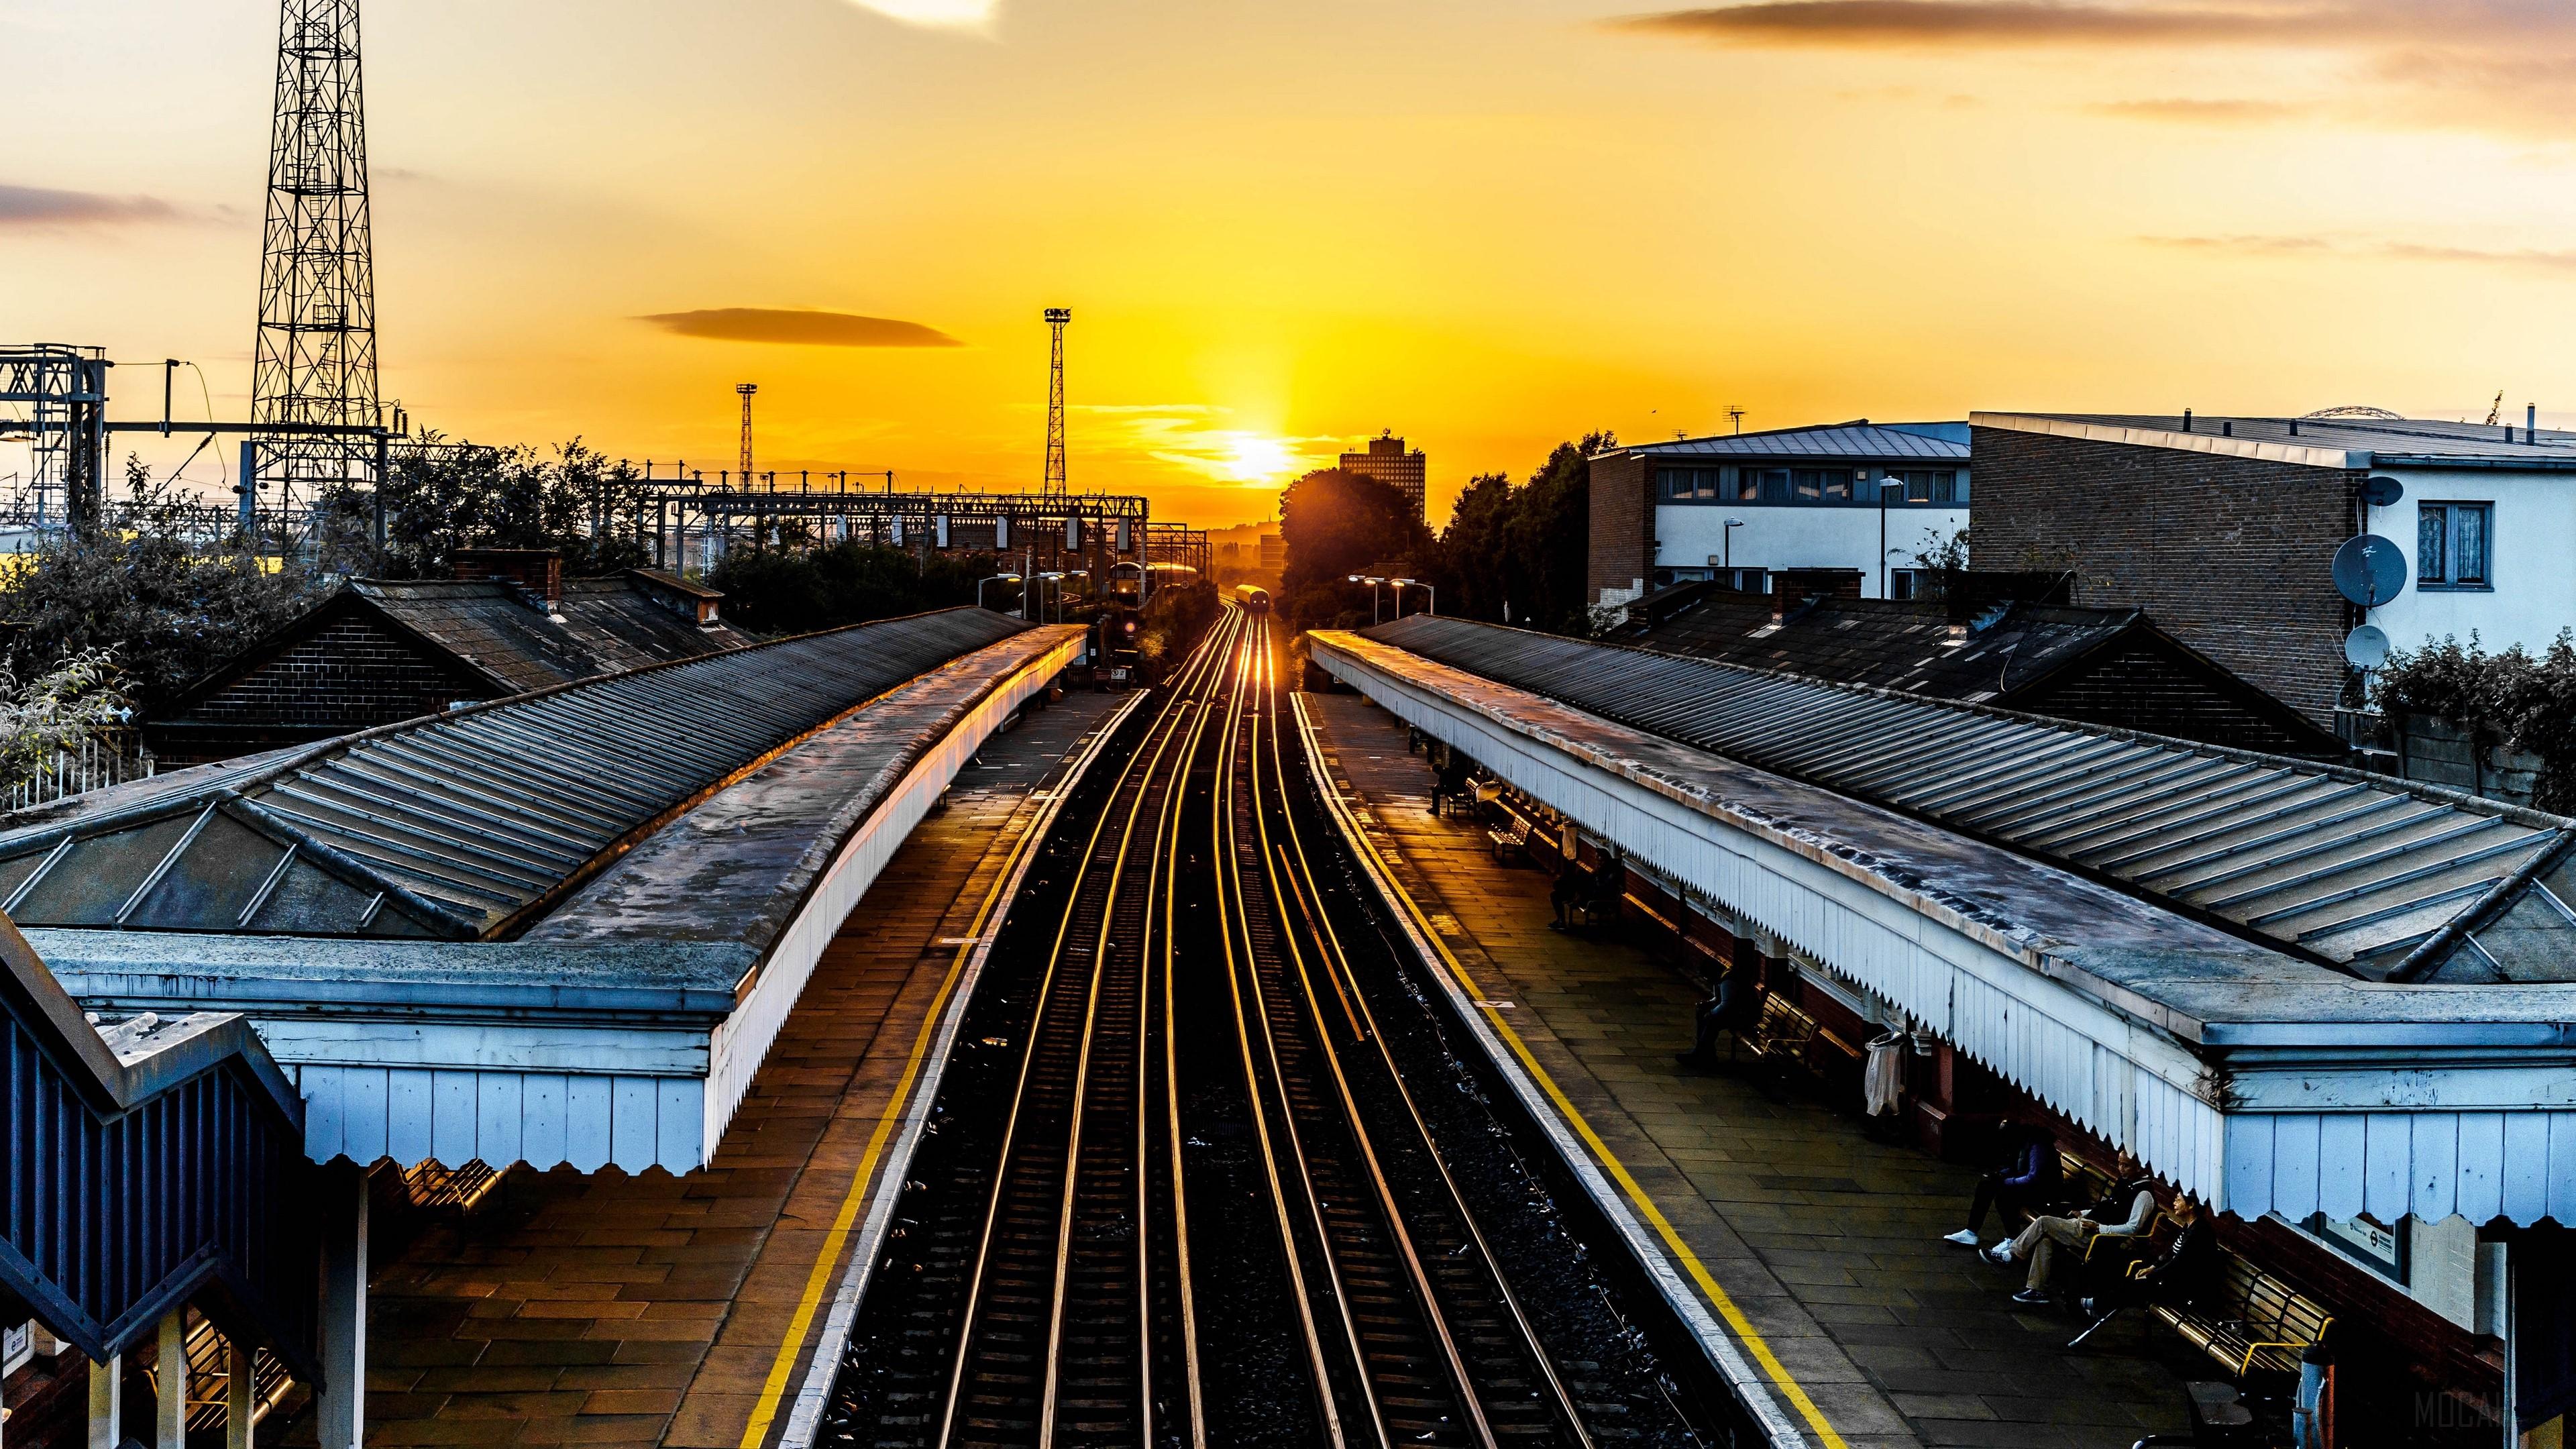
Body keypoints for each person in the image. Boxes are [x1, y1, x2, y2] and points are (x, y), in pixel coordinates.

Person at [1982, 1155, 2156, 1304]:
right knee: (2045, 1238)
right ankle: (2036, 1290)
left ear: (2138, 1167)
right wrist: (2084, 1213)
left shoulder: (2143, 1194)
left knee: (2043, 1223)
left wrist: (2099, 1227)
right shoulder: (2124, 1183)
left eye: (2125, 1165)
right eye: (2119, 1163)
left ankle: (2011, 1254)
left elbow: (2133, 1227)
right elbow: (2107, 1208)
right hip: (2087, 1224)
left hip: (2099, 1236)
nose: (2121, 1169)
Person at [1942, 1123, 2059, 1247]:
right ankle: (1971, 1232)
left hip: (2043, 1192)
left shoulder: (2038, 1146)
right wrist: (2000, 1175)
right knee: (1986, 1186)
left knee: (2004, 1198)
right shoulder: (2025, 1143)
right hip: (2029, 1186)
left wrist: (2007, 1182)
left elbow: (2034, 1177)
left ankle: (2014, 1239)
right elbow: (2017, 1167)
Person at [1675, 968, 1748, 1070]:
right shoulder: (1721, 979)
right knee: (1702, 1012)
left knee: (1712, 1021)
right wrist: (1707, 1004)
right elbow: (1718, 999)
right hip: (1736, 1012)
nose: (1706, 979)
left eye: (1706, 977)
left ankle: (1703, 1053)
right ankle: (1704, 1052)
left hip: (1745, 1016)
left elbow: (1726, 1004)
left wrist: (1712, 1013)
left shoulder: (1727, 981)